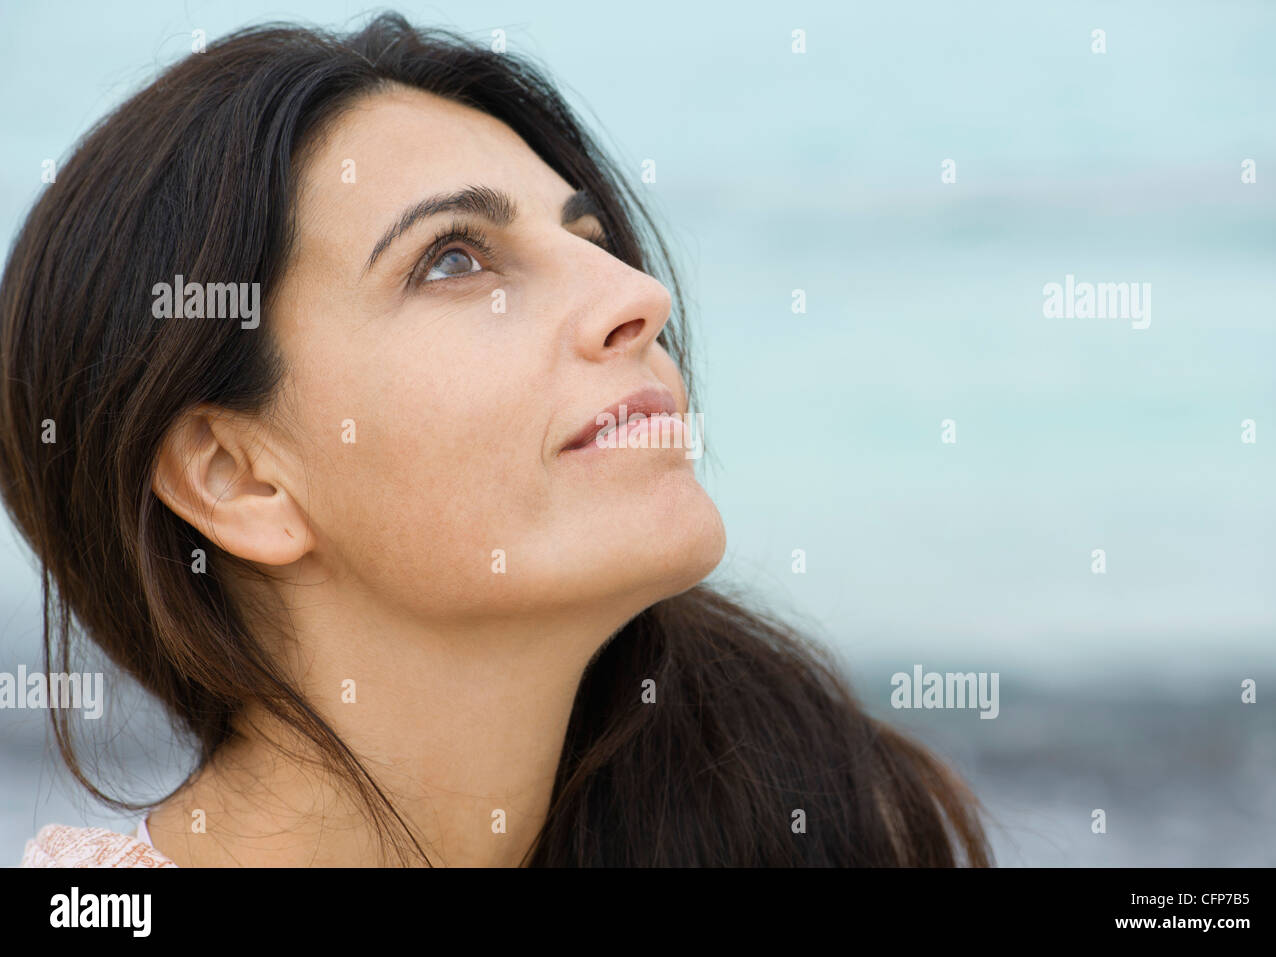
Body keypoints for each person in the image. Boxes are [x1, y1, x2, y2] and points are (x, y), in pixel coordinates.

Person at [3, 12, 991, 867]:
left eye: (591, 238)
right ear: (239, 478)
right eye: (454, 261)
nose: (637, 298)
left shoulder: (807, 815)